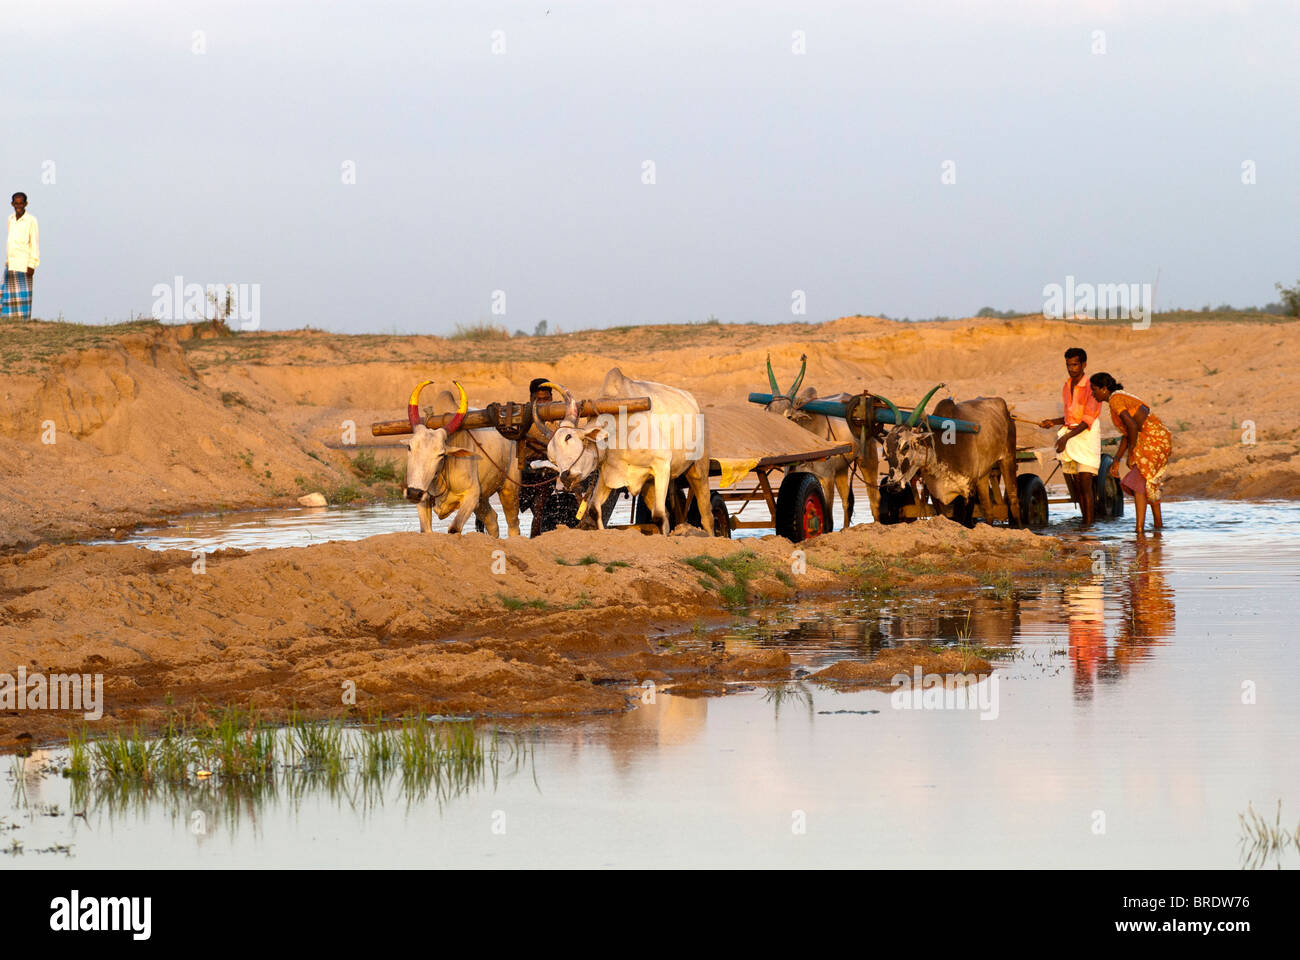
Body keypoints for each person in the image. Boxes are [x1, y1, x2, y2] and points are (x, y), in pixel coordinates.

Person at [1089, 372, 1172, 535]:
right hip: (1156, 438)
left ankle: (1140, 530)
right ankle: (1157, 528)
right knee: (1147, 484)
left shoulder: (1115, 400)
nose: (1093, 394)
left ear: (1104, 389)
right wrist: (1117, 459)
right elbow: (1129, 431)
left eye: (1094, 390)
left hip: (1152, 440)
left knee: (1138, 483)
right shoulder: (1117, 398)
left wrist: (1131, 453)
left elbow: (1132, 428)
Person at [1039, 347, 1102, 525]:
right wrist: (1053, 421)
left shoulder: (1092, 386)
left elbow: (1087, 419)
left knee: (1085, 484)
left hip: (1086, 435)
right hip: (1072, 433)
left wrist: (1065, 438)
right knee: (1078, 487)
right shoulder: (1067, 386)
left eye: (1075, 364)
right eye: (1068, 365)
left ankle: (1089, 527)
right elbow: (1070, 417)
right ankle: (1086, 523)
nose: (1071, 368)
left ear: (1084, 364)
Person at [519, 378, 557, 537]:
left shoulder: (559, 416)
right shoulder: (522, 416)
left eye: (545, 399)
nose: (542, 403)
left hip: (550, 470)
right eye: (538, 399)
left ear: (552, 398)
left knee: (539, 506)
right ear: (531, 399)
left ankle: (534, 538)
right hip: (523, 470)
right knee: (513, 506)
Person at [2, 193, 39, 320]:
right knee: (6, 297)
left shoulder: (31, 221)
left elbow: (34, 242)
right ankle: (8, 323)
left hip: (24, 265)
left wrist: (32, 264)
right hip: (11, 263)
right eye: (16, 203)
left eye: (21, 203)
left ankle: (23, 323)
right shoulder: (10, 219)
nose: (18, 206)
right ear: (12, 204)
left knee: (23, 299)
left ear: (25, 204)